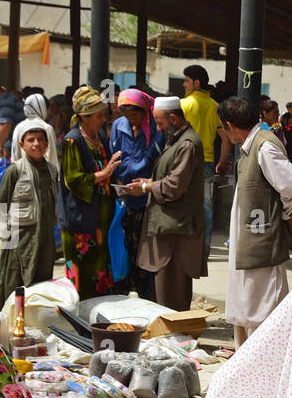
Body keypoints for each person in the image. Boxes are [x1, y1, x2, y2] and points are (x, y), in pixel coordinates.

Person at [219, 95, 292, 347]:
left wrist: (285, 213)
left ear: (229, 125)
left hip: (262, 247)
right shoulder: (250, 145)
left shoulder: (264, 146)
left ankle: (267, 371)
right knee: (246, 307)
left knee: (264, 312)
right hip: (248, 244)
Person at [124, 96, 205, 311]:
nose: (158, 128)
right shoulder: (177, 139)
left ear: (173, 118)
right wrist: (150, 182)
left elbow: (175, 185)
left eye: (160, 123)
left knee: (173, 289)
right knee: (163, 286)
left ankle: (176, 336)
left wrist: (145, 188)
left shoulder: (187, 144)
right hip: (169, 225)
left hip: (177, 227)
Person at [59, 85, 121, 299]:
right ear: (84, 117)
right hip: (80, 220)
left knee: (100, 270)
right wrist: (104, 173)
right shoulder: (72, 141)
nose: (103, 119)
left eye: (105, 114)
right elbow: (73, 180)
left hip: (100, 219)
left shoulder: (100, 137)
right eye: (99, 115)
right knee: (82, 276)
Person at [0, 116, 60, 313]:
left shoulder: (52, 170)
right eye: (31, 140)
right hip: (20, 238)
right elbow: (2, 203)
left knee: (41, 282)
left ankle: (31, 322)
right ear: (22, 144)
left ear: (47, 144)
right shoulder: (15, 170)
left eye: (41, 140)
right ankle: (5, 322)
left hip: (45, 239)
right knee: (13, 282)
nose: (36, 144)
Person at [112, 88, 163, 297]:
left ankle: (146, 291)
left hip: (148, 195)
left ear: (145, 111)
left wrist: (143, 185)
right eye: (126, 115)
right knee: (127, 244)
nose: (130, 120)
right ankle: (126, 286)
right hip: (125, 195)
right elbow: (116, 155)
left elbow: (155, 159)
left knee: (147, 247)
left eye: (134, 115)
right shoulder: (118, 126)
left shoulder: (155, 128)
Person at [179, 65, 221, 241]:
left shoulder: (183, 105)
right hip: (208, 161)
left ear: (196, 83)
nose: (184, 84)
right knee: (206, 206)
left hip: (185, 161)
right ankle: (206, 247)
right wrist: (222, 161)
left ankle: (187, 245)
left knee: (183, 202)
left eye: (187, 81)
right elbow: (225, 137)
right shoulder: (215, 106)